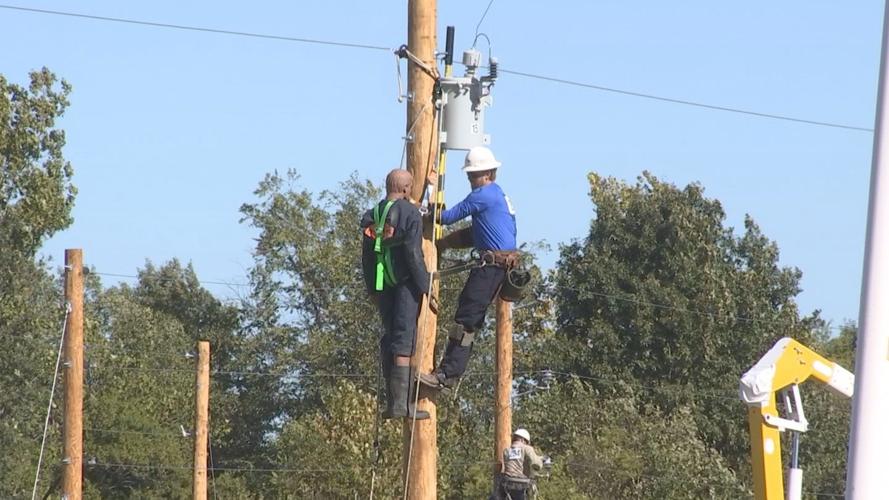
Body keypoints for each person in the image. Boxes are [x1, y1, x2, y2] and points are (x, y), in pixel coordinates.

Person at [418, 146, 517, 392]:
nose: (471, 180)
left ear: (489, 173)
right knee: (467, 317)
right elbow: (476, 234)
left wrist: (429, 190)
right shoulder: (497, 196)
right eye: (470, 175)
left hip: (491, 267)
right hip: (497, 266)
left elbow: (445, 217)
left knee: (466, 320)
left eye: (475, 175)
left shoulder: (482, 196)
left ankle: (446, 374)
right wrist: (443, 245)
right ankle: (447, 373)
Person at [361, 169, 431, 420]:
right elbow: (413, 254)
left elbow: (367, 258)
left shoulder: (372, 215)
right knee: (404, 340)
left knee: (390, 337)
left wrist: (372, 288)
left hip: (382, 284)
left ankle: (393, 404)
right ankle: (403, 405)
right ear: (405, 189)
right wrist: (426, 285)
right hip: (404, 285)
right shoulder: (410, 213)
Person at [498, 428, 545, 500]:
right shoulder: (526, 448)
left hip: (506, 484)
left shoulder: (506, 451)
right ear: (523, 440)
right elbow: (536, 464)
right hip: (520, 485)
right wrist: (541, 461)